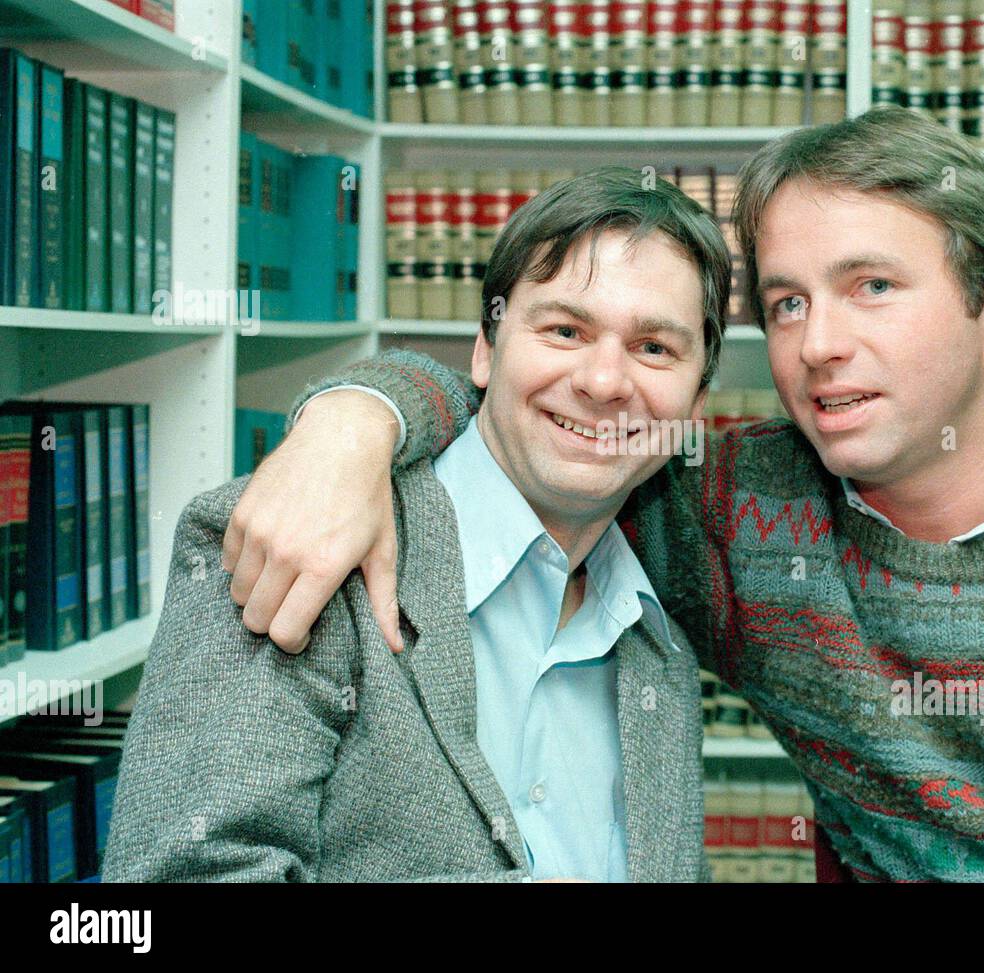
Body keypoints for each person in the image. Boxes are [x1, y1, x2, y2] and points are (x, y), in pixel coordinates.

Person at [223, 107, 984, 882]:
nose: (820, 346)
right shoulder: (733, 512)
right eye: (786, 304)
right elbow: (542, 407)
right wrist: (351, 419)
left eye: (871, 287)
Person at [104, 167, 728, 882]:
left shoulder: (665, 647)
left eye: (655, 348)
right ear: (486, 350)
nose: (604, 380)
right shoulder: (300, 542)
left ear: (696, 401)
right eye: (564, 329)